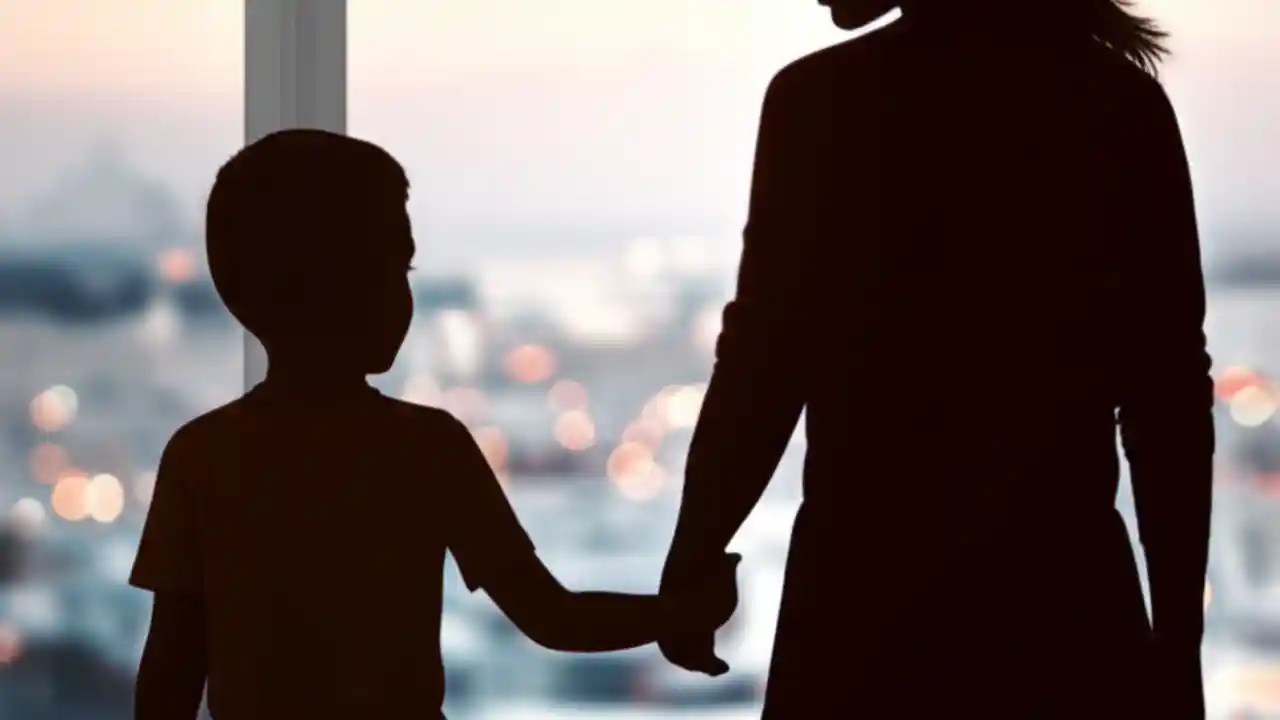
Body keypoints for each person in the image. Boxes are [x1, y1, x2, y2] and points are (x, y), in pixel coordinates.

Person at [659, 0, 1215, 717]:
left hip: (860, 609)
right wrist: (1175, 645)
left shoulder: (822, 101)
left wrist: (696, 555)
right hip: (1062, 606)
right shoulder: (1118, 105)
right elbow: (1166, 399)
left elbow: (764, 364)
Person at [128, 129, 741, 720]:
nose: (404, 295)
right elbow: (552, 616)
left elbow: (170, 672)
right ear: (347, 287)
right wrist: (679, 613)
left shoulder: (202, 455)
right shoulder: (425, 447)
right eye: (396, 269)